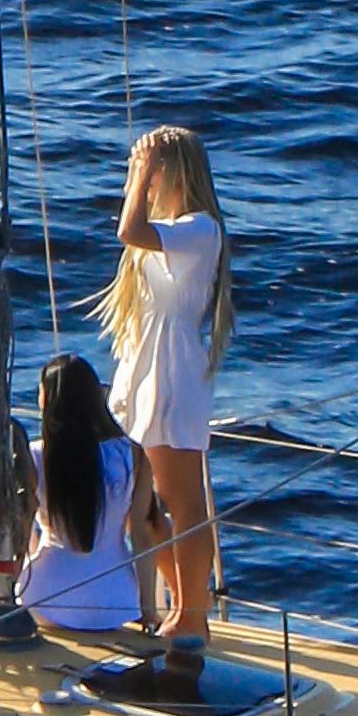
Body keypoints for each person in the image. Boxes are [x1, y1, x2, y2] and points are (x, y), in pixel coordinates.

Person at [105, 124, 233, 680]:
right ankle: (181, 601)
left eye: (159, 170)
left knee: (182, 501)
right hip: (145, 364)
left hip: (174, 371)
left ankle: (193, 613)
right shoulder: (174, 231)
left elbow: (128, 230)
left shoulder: (200, 230)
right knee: (145, 501)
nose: (151, 179)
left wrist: (138, 172)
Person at [13, 353, 156, 648]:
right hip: (116, 604)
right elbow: (142, 534)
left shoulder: (35, 455)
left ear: (48, 399)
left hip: (45, 598)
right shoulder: (133, 454)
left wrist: (11, 591)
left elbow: (22, 528)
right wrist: (148, 607)